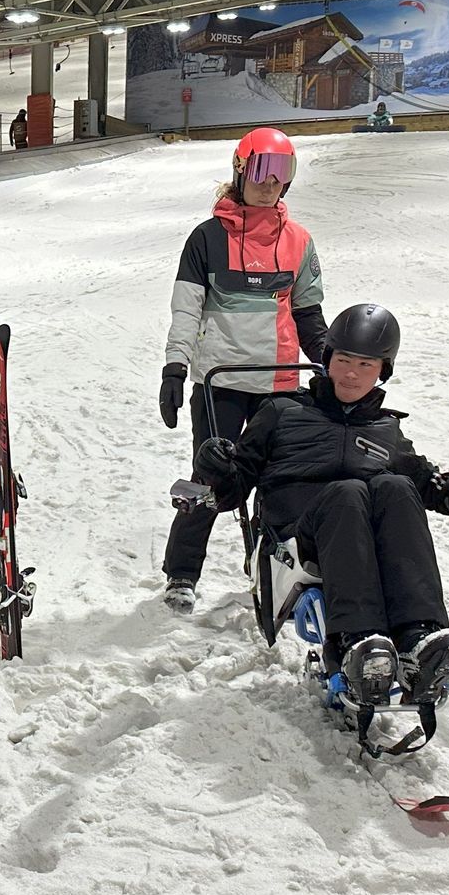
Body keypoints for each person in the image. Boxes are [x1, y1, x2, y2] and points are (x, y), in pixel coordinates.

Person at [197, 303, 449, 706]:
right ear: (327, 360)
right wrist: (216, 468)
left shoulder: (386, 430)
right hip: (294, 542)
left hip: (359, 536)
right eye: (343, 360)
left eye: (365, 365)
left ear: (382, 372)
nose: (352, 374)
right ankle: (354, 642)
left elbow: (435, 485)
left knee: (397, 485)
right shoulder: (281, 412)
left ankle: (419, 640)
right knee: (348, 491)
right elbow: (232, 490)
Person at [158, 126, 325, 614]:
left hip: (280, 382)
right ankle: (182, 573)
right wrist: (174, 368)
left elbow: (309, 315)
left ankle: (273, 568)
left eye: (282, 173)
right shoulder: (206, 239)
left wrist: (335, 362)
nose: (271, 183)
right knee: (210, 480)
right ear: (240, 171)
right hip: (222, 382)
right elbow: (187, 311)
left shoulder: (298, 242)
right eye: (262, 171)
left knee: (284, 481)